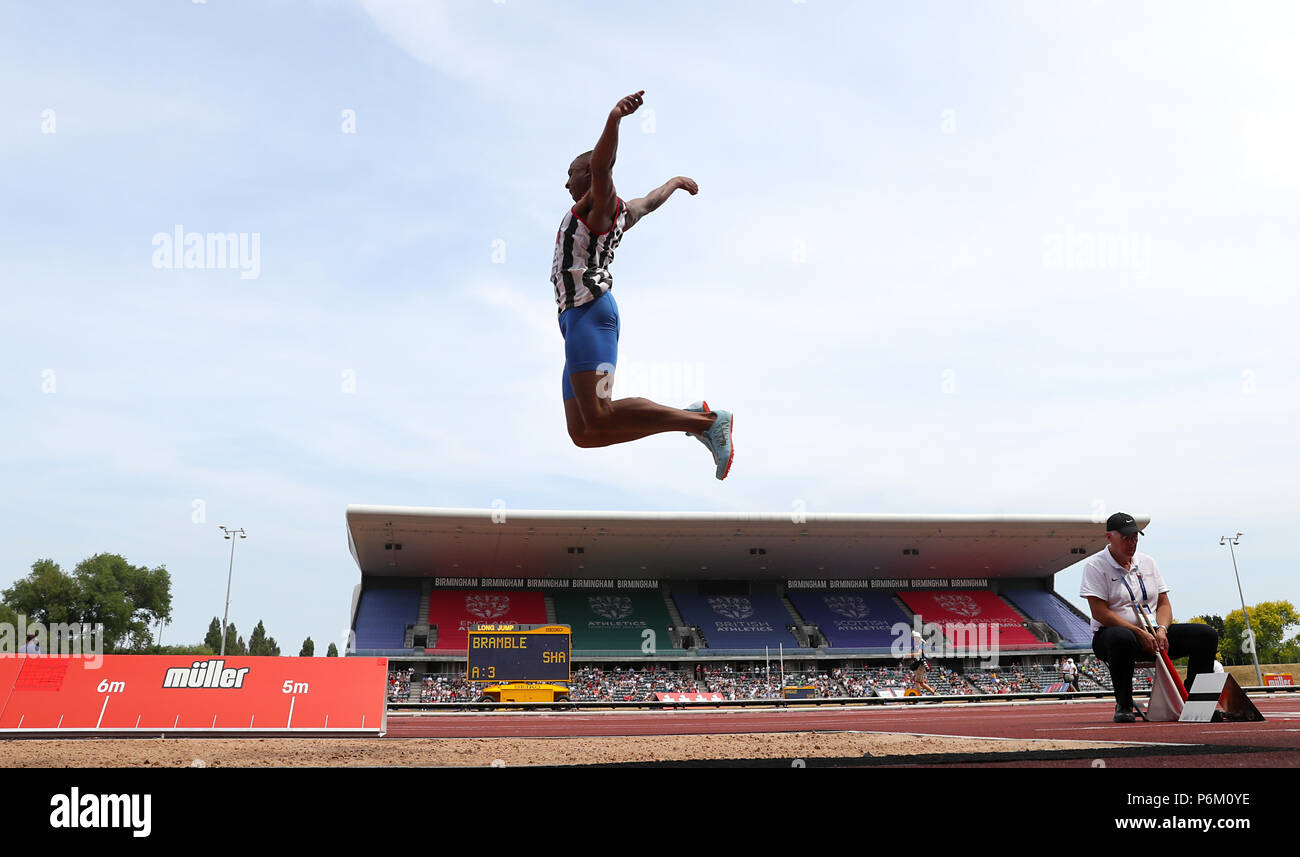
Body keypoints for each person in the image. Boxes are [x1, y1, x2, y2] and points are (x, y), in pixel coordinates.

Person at [551, 90, 734, 479]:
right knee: (584, 432)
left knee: (599, 414)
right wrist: (675, 182)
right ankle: (690, 418)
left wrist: (615, 117)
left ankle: (706, 422)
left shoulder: (599, 207)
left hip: (589, 313)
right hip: (575, 321)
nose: (566, 182)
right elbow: (649, 202)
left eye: (571, 173)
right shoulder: (622, 213)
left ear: (588, 175)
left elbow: (603, 167)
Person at [1079, 512, 1219, 723]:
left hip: (1154, 631)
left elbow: (1163, 603)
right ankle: (1123, 705)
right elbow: (1099, 611)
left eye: (1135, 537)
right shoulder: (1095, 566)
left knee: (1206, 635)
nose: (1132, 543)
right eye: (1126, 538)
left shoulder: (1148, 562)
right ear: (1109, 537)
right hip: (1113, 636)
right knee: (1121, 638)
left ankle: (1197, 703)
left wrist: (1162, 629)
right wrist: (1136, 632)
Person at [906, 631, 938, 695]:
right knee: (921, 683)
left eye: (915, 638)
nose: (914, 639)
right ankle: (934, 693)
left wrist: (909, 655)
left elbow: (919, 654)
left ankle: (918, 696)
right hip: (920, 664)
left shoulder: (921, 644)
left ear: (918, 638)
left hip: (921, 664)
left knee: (917, 682)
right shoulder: (918, 645)